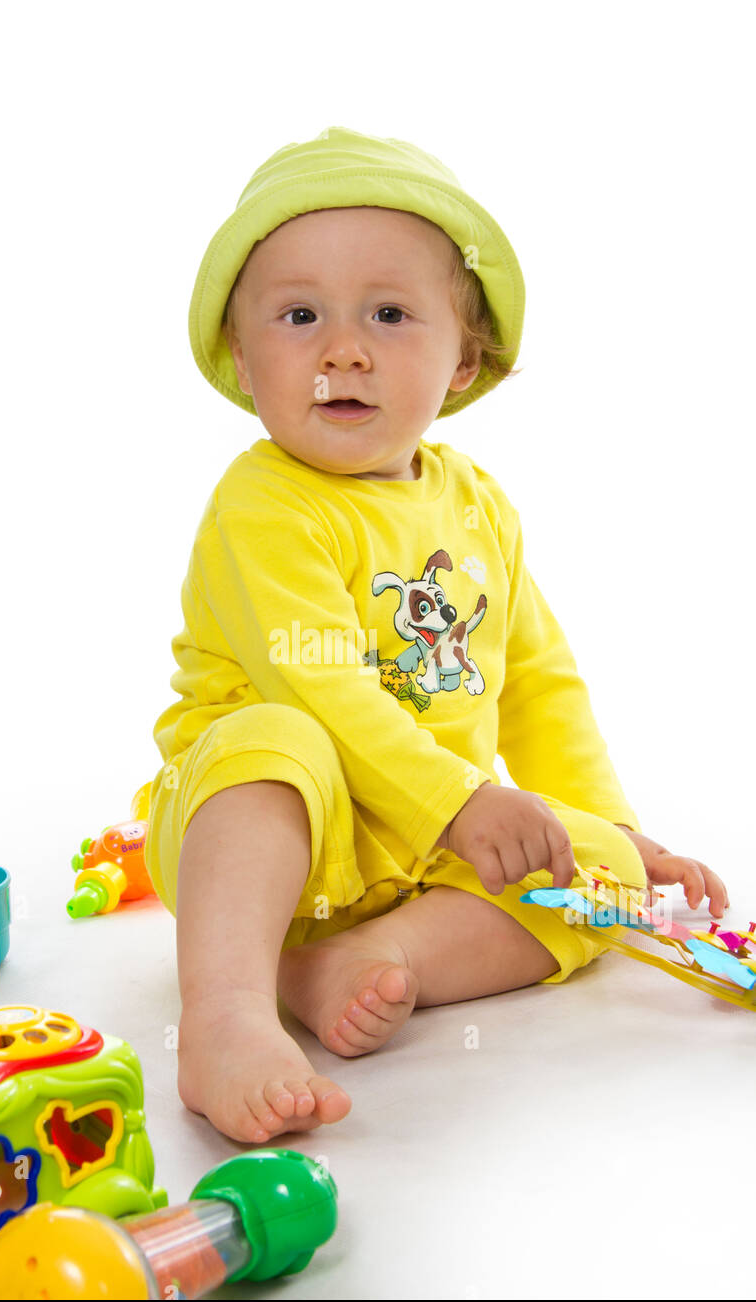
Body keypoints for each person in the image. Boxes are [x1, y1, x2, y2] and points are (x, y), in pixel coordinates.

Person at [143, 127, 729, 1145]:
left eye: (387, 313)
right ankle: (229, 1010)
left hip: (419, 850)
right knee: (271, 745)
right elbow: (321, 683)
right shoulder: (262, 507)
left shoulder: (478, 506)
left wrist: (616, 826)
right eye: (297, 315)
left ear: (465, 359)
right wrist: (459, 801)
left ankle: (376, 958)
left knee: (599, 877)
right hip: (278, 837)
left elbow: (536, 680)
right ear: (242, 357)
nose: (343, 348)